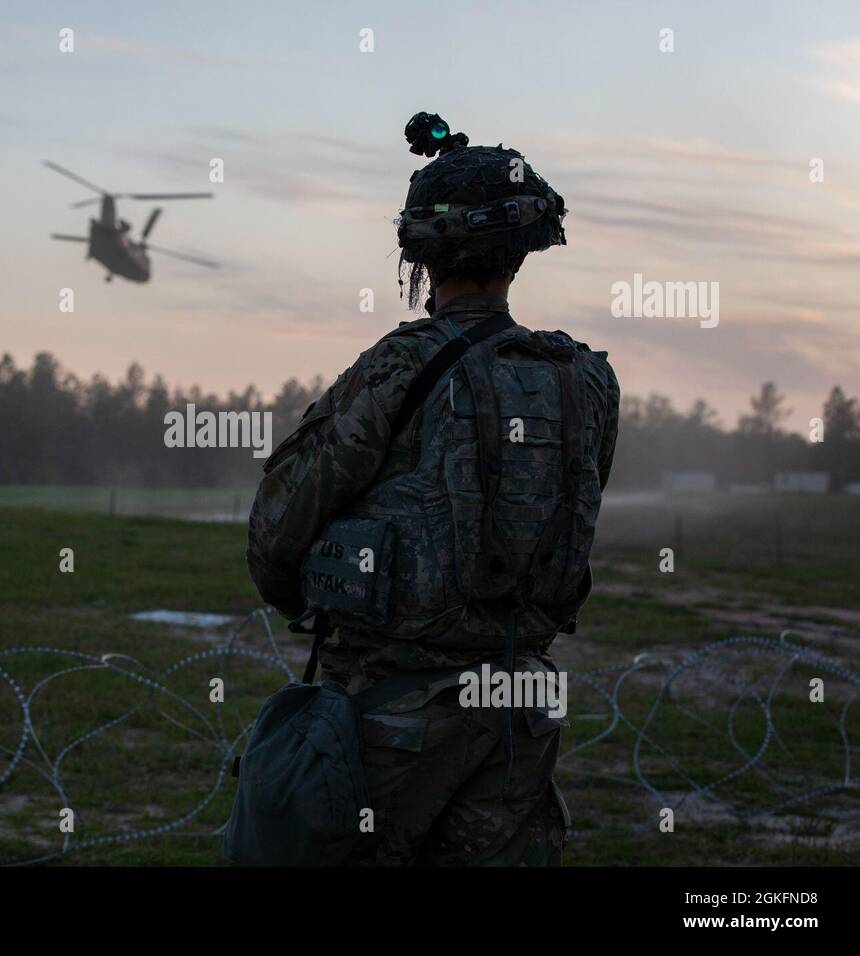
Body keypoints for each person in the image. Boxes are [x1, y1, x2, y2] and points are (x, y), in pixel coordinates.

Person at [246, 113, 620, 866]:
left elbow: (278, 528)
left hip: (395, 710)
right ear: (520, 255)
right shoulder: (587, 380)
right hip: (520, 702)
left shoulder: (397, 368)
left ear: (422, 253)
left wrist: (311, 600)